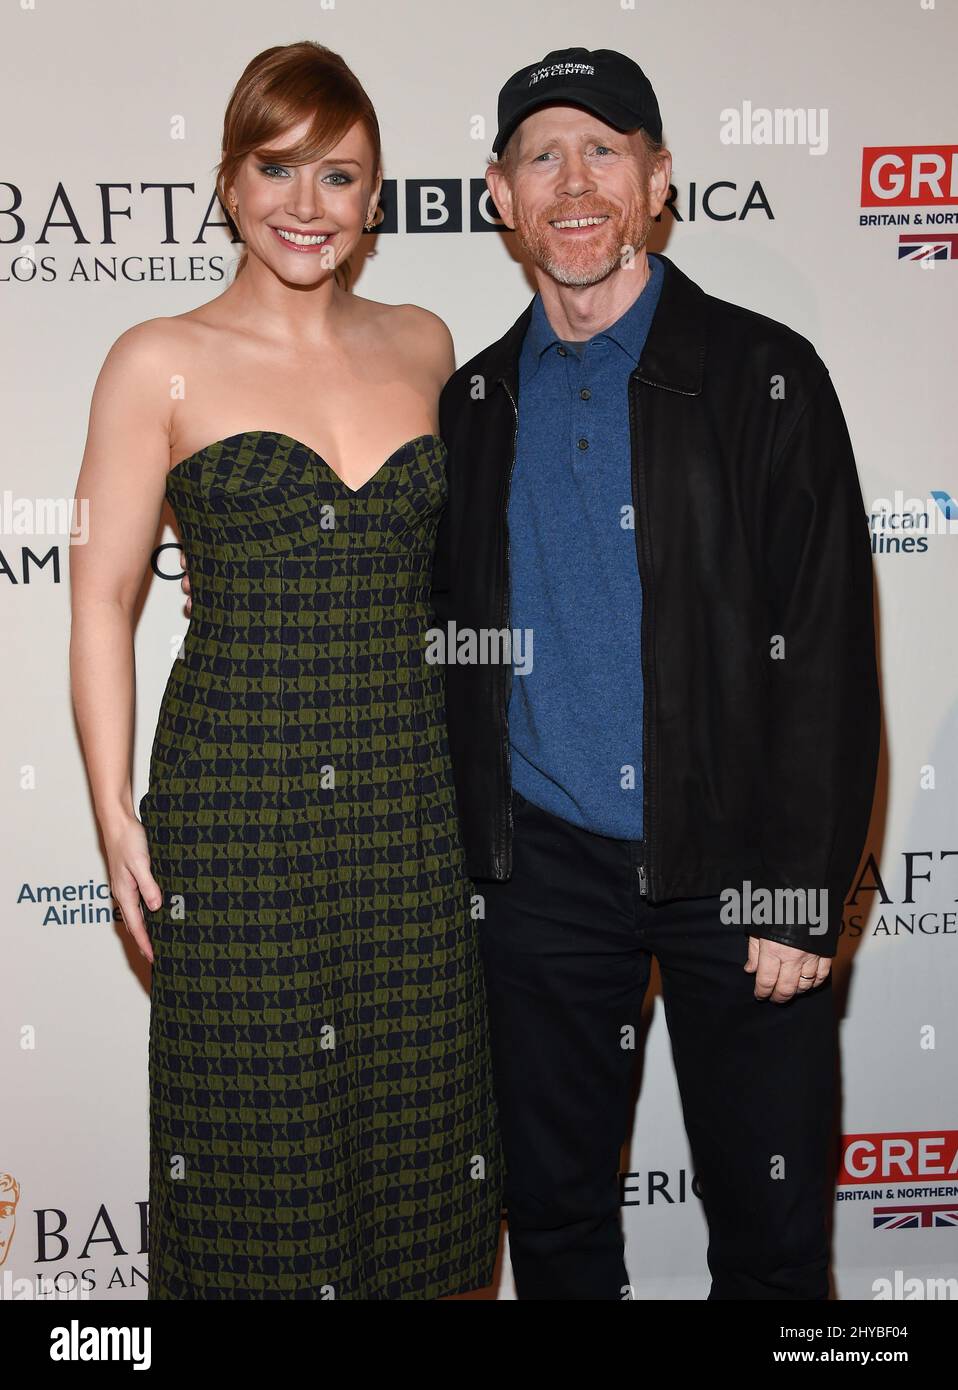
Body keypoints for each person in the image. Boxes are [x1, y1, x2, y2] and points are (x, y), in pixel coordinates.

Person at [431, 48, 880, 1299]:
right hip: (540, 872)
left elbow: (829, 641)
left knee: (773, 1236)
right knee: (558, 1222)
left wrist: (802, 886)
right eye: (541, 155)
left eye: (605, 150)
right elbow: (431, 625)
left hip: (741, 859)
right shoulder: (470, 401)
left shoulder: (764, 374)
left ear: (659, 178)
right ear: (498, 195)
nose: (573, 183)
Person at [69, 40, 502, 1300]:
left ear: (378, 201)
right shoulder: (156, 358)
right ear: (227, 181)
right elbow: (101, 602)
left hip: (410, 805)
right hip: (237, 800)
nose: (306, 206)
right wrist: (112, 815)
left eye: (340, 175)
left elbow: (465, 574)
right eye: (277, 168)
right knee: (254, 1153)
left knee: (423, 1154)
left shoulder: (428, 343)